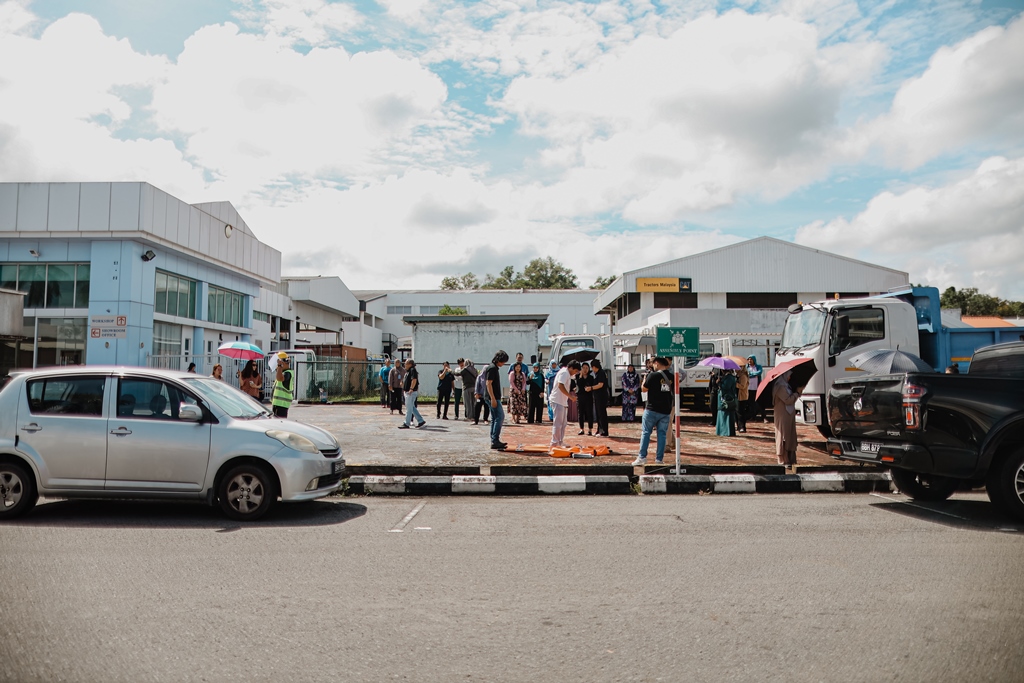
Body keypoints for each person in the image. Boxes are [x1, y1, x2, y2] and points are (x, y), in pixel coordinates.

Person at [632, 357, 673, 466]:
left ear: (657, 364)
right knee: (662, 435)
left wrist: (644, 380)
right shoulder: (671, 376)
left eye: (653, 364)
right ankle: (659, 459)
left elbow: (644, 389)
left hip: (652, 409)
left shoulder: (652, 375)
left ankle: (642, 457)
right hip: (665, 410)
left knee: (646, 433)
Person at [773, 369, 800, 469]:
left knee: (790, 435)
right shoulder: (780, 386)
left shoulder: (786, 385)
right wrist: (797, 394)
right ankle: (783, 459)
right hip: (782, 414)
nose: (789, 377)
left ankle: (790, 458)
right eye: (788, 375)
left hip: (789, 414)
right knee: (783, 435)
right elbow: (787, 400)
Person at [549, 360, 581, 448]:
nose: (575, 373)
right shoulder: (564, 373)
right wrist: (570, 396)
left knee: (563, 423)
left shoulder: (566, 373)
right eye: (575, 371)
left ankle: (559, 441)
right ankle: (554, 442)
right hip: (557, 400)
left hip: (562, 401)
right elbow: (560, 385)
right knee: (558, 423)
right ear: (571, 368)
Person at [486, 350, 509, 449]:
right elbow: (488, 383)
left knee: (495, 418)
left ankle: (494, 439)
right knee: (500, 417)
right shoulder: (492, 368)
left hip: (493, 397)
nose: (503, 364)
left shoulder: (493, 368)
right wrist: (493, 398)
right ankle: (495, 439)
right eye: (503, 361)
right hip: (493, 397)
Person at [399, 359, 426, 429]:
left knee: (409, 408)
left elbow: (414, 380)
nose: (405, 365)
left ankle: (406, 423)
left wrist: (411, 388)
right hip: (408, 392)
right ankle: (420, 420)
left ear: (410, 364)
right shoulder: (408, 372)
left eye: (406, 363)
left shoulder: (412, 370)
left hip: (410, 392)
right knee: (412, 407)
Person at [590, 359, 610, 437]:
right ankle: (599, 430)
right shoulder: (597, 373)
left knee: (602, 414)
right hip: (597, 396)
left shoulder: (601, 373)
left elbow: (600, 384)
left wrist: (591, 388)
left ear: (594, 367)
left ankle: (604, 431)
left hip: (602, 396)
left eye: (592, 368)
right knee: (598, 413)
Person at [716, 369, 738, 437]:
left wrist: (719, 383)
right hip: (724, 398)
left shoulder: (729, 377)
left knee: (726, 414)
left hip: (727, 399)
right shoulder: (728, 377)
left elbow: (726, 387)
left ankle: (725, 431)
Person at [271, 352, 293, 418]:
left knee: (280, 424)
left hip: (281, 405)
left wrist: (280, 366)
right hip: (278, 405)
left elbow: (280, 378)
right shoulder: (284, 373)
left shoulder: (287, 373)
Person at [576, 362, 595, 436]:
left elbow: (592, 386)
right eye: (583, 368)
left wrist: (589, 389)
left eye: (587, 368)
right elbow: (578, 385)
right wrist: (580, 376)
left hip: (588, 397)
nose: (585, 370)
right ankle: (581, 429)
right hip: (580, 397)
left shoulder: (591, 377)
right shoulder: (578, 376)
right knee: (580, 413)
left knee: (589, 413)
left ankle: (590, 429)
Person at [745, 356, 764, 423]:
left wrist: (751, 374)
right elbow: (746, 375)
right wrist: (753, 375)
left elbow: (759, 372)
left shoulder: (758, 366)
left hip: (756, 387)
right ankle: (752, 416)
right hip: (749, 387)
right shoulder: (747, 367)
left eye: (751, 359)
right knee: (750, 403)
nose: (750, 361)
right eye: (749, 359)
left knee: (757, 402)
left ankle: (763, 416)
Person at [735, 364, 749, 433]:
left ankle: (742, 427)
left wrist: (735, 384)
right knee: (737, 412)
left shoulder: (743, 376)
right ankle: (738, 426)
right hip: (737, 395)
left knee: (741, 412)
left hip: (742, 396)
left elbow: (742, 386)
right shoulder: (738, 375)